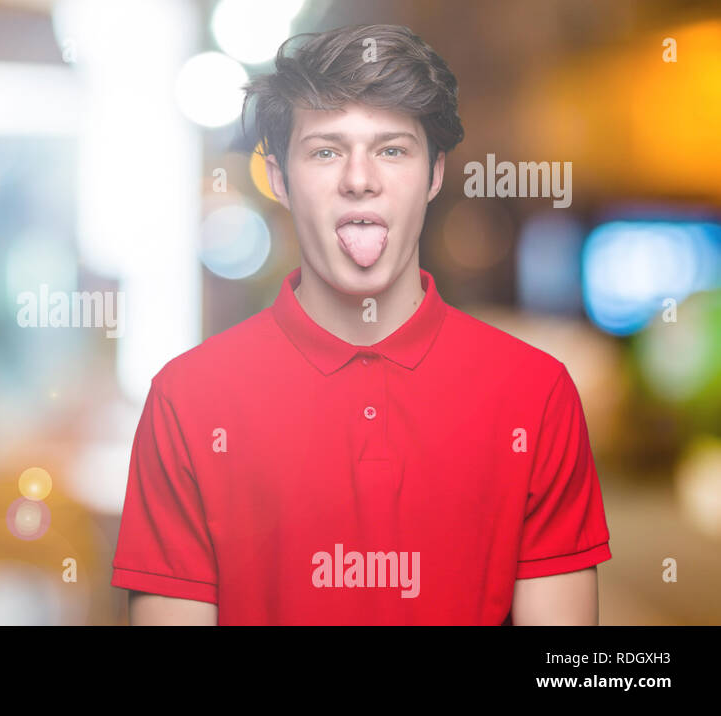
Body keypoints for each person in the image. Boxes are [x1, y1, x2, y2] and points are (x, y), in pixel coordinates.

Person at [110, 24, 611, 625]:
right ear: (278, 178)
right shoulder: (187, 400)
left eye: (392, 149)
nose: (359, 178)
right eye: (325, 150)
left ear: (434, 175)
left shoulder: (536, 394)